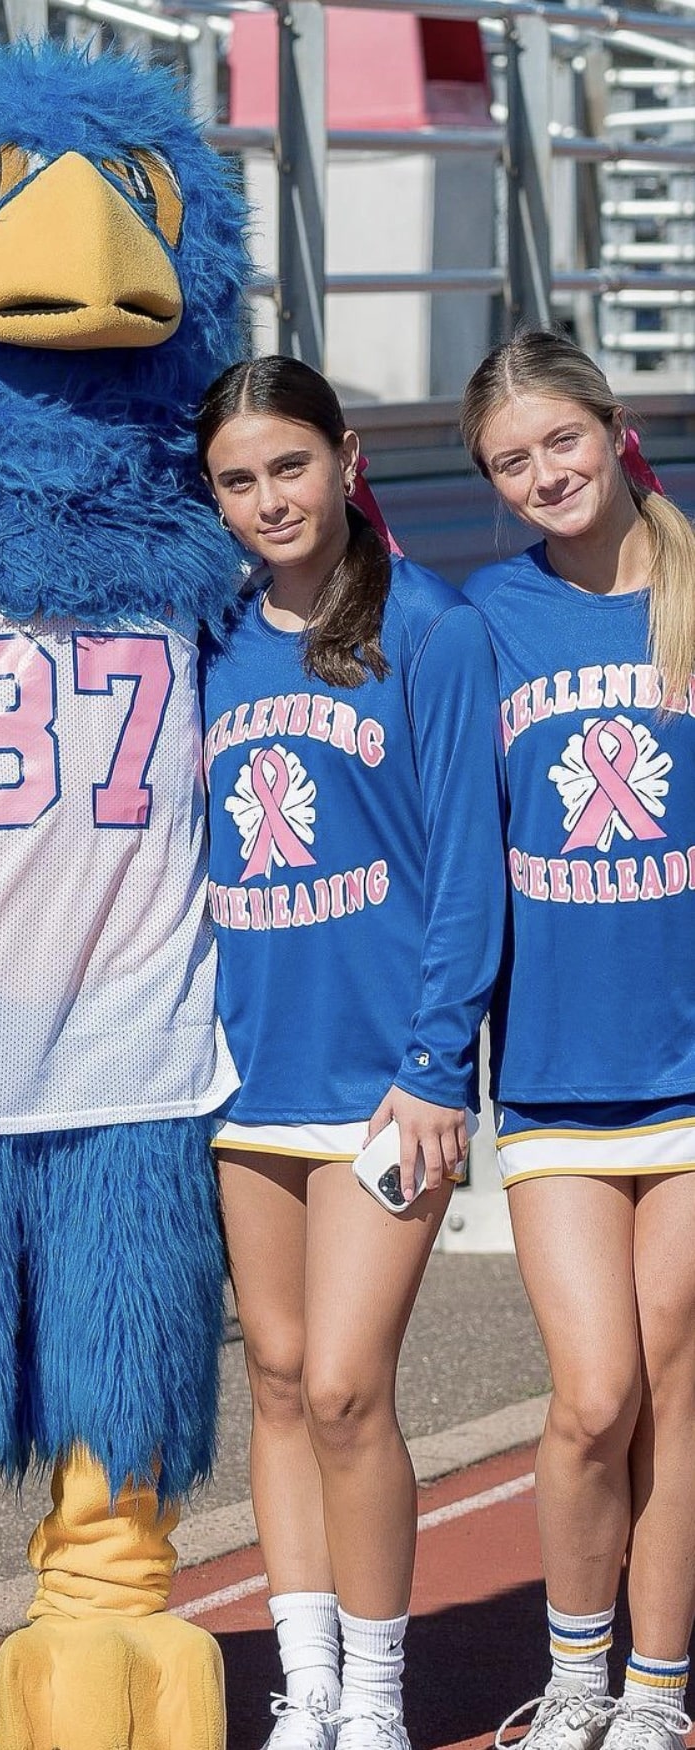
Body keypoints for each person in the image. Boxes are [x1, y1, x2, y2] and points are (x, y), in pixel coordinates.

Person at [196, 356, 506, 1750]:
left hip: (385, 1081)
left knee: (343, 1384)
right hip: (243, 1079)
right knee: (270, 1378)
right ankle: (305, 1682)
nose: (270, 498)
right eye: (239, 479)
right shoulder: (209, 639)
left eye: (290, 465)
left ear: (346, 455)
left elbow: (467, 873)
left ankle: (376, 1696)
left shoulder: (430, 632)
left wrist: (438, 1065)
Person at [461, 331, 695, 1750]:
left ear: (615, 429)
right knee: (590, 1392)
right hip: (551, 1074)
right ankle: (577, 1673)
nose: (544, 473)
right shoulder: (484, 616)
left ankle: (656, 1694)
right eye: (510, 461)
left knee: (672, 1381)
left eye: (561, 440)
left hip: (694, 1075)